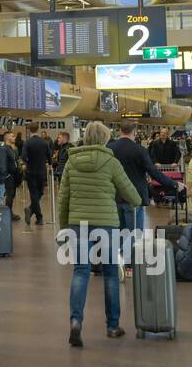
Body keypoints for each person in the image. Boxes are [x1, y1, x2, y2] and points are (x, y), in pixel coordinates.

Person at [58, 120, 142, 346]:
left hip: (78, 224)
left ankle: (76, 321)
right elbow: (133, 196)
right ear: (105, 139)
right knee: (111, 274)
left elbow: (63, 198)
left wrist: (63, 228)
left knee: (81, 271)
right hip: (106, 223)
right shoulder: (110, 161)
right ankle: (113, 325)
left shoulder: (71, 161)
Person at [107, 121, 180, 273]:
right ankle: (130, 265)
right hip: (135, 198)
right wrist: (173, 184)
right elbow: (153, 172)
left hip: (114, 196)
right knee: (134, 231)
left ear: (120, 131)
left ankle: (117, 261)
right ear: (134, 132)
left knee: (118, 230)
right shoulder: (139, 150)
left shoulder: (109, 148)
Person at [22, 128, 52, 226]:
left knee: (34, 194)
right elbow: (49, 155)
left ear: (30, 131)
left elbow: (23, 156)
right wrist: (50, 164)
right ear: (38, 130)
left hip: (31, 171)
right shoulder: (44, 142)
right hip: (42, 171)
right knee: (40, 192)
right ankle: (38, 216)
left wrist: (27, 162)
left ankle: (32, 212)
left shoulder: (27, 143)